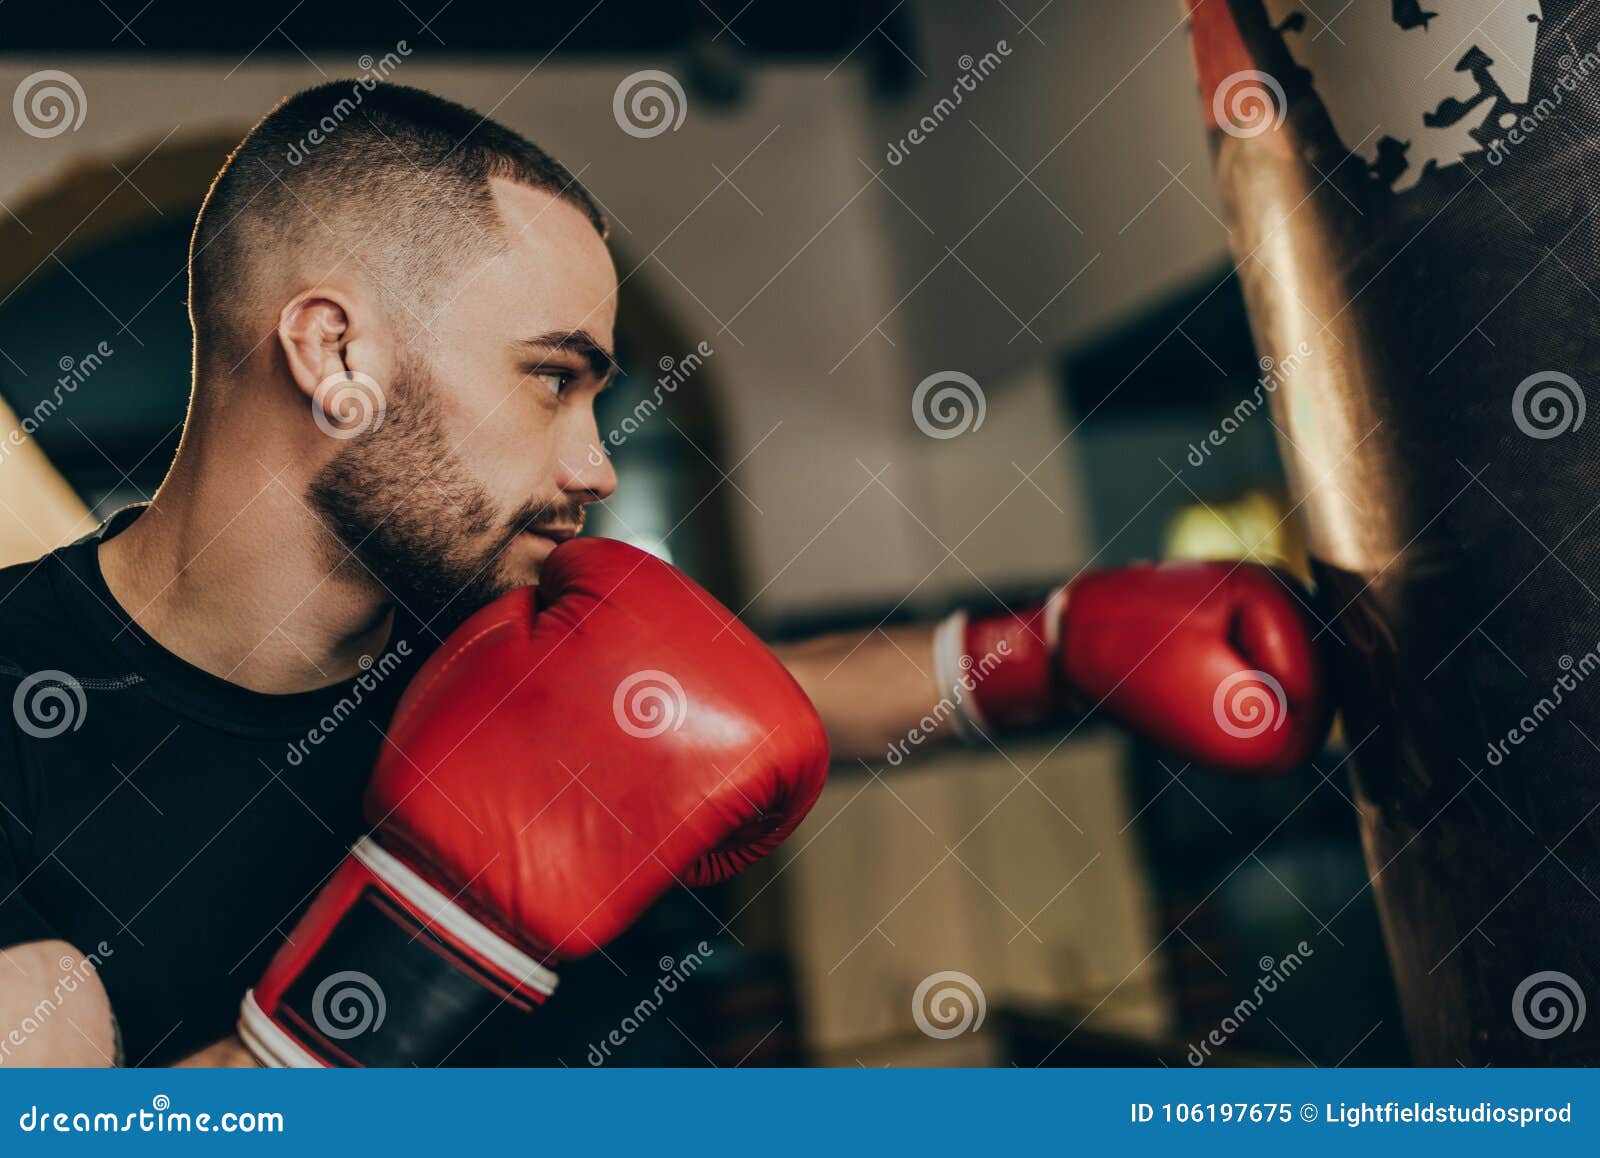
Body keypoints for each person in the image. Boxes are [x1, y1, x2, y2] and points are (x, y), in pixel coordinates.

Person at [0, 81, 1329, 1066]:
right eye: (553, 378)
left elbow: (723, 701)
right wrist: (419, 946)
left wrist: (1048, 654)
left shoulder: (473, 618)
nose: (592, 463)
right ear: (335, 355)